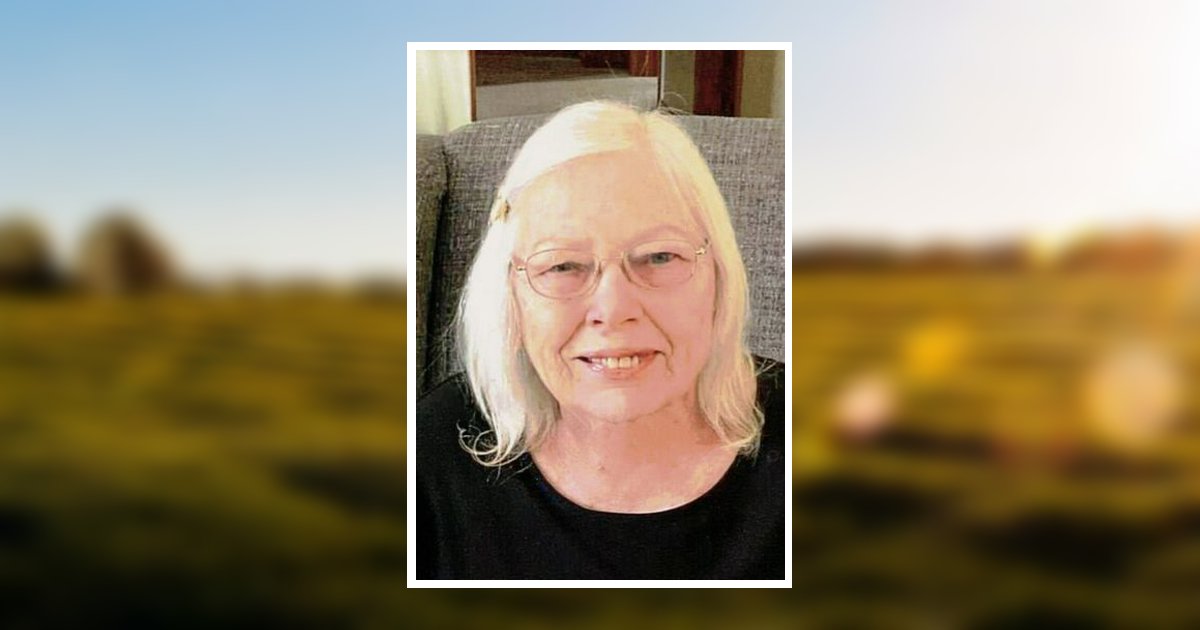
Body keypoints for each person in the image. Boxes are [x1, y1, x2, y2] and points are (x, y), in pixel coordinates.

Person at [416, 101, 784, 580]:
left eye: (659, 257)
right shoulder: (428, 455)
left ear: (719, 275)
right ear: (510, 293)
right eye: (562, 265)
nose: (613, 309)